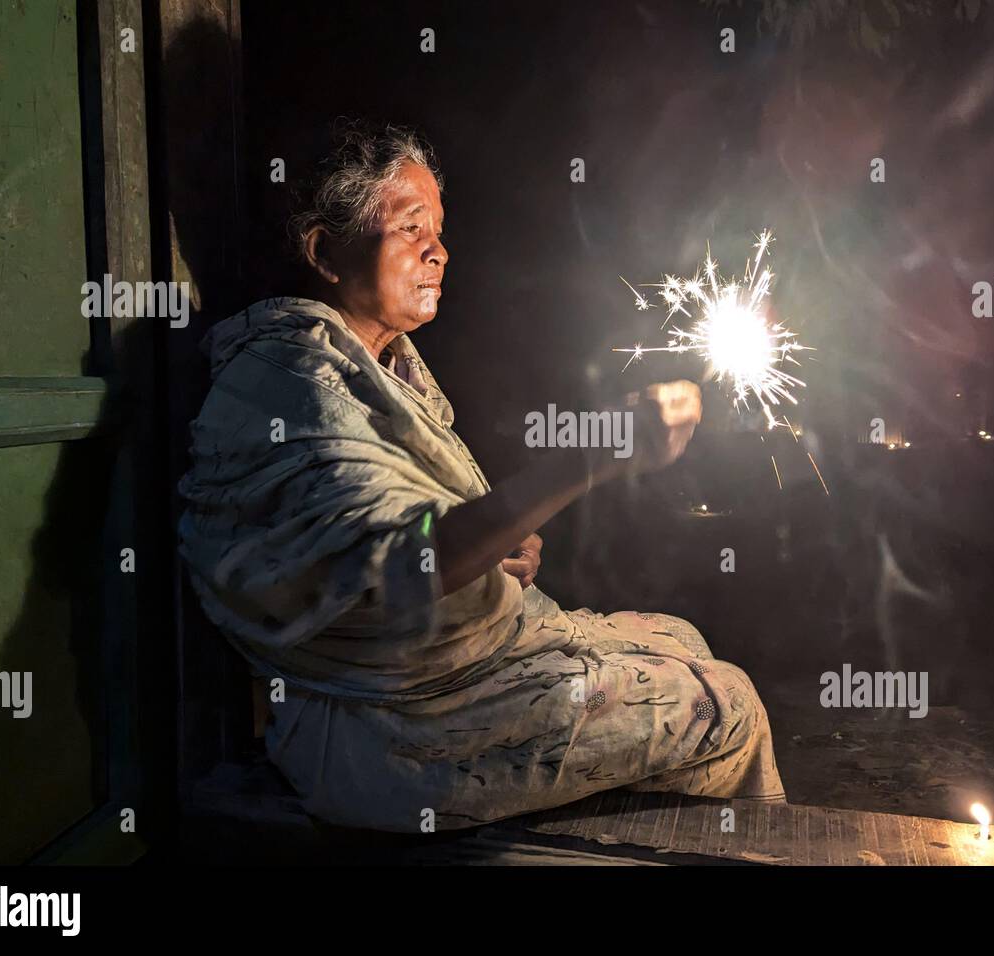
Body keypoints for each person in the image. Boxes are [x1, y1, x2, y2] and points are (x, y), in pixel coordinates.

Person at [177, 120, 786, 831]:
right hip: (396, 728)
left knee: (678, 637)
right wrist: (586, 457)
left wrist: (506, 543)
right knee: (731, 705)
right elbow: (396, 564)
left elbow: (437, 526)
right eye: (411, 228)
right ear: (324, 250)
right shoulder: (293, 381)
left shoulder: (385, 369)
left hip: (446, 682)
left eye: (438, 228)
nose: (439, 251)